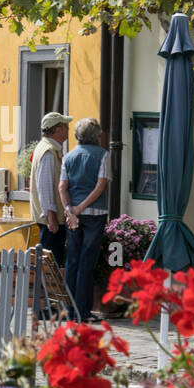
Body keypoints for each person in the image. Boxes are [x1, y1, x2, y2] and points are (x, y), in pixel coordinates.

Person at [60, 117, 111, 321]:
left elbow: (62, 187)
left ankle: (69, 311)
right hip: (94, 215)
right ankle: (83, 312)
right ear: (96, 135)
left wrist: (70, 211)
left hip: (73, 216)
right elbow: (100, 187)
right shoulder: (103, 155)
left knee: (72, 261)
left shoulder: (68, 156)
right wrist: (80, 209)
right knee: (86, 263)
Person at [28, 111, 73, 269]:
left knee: (50, 260)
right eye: (65, 126)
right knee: (51, 262)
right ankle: (45, 293)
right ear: (58, 129)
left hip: (52, 217)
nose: (68, 130)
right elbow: (45, 187)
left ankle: (45, 291)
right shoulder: (48, 152)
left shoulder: (47, 148)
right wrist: (51, 217)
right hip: (52, 219)